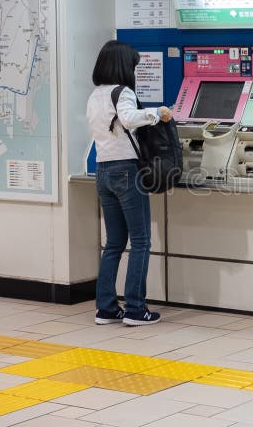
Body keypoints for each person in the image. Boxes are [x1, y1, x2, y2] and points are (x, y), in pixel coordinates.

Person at [86, 40, 172, 326]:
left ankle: (106, 308)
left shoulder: (95, 95)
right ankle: (136, 308)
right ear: (124, 65)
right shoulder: (122, 93)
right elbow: (128, 119)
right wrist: (156, 113)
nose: (134, 70)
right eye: (133, 65)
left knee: (113, 243)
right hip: (125, 171)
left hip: (103, 172)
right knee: (141, 241)